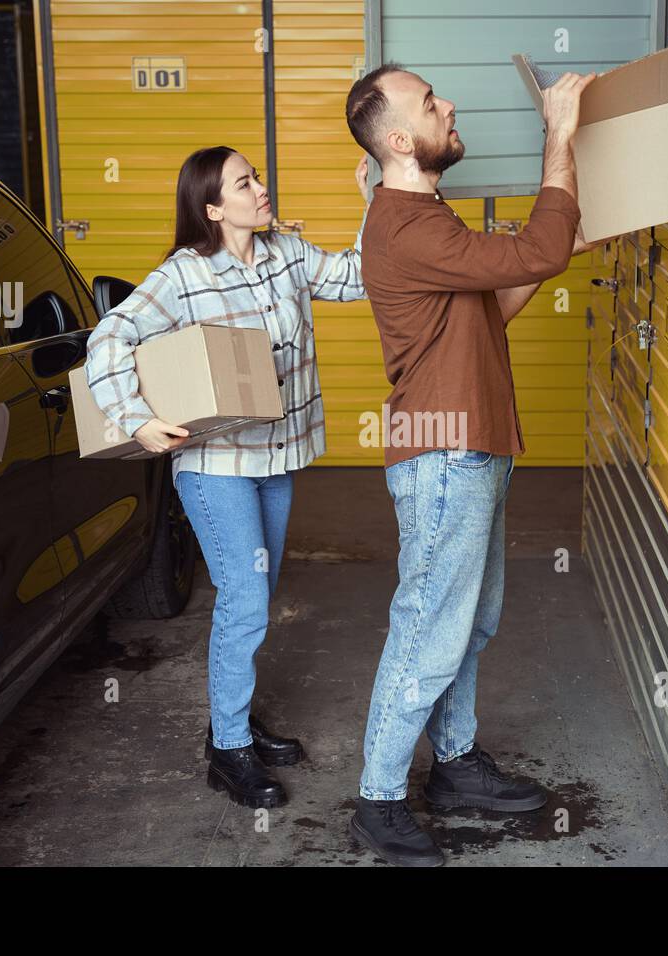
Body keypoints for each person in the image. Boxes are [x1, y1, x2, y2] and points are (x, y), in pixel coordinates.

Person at [343, 63, 597, 865]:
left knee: (468, 623)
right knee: (427, 628)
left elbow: (497, 303)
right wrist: (559, 135)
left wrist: (543, 253)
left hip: (473, 448)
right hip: (445, 457)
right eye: (429, 103)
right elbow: (542, 250)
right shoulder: (408, 226)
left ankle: (454, 764)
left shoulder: (426, 218)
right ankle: (378, 800)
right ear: (396, 140)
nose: (447, 105)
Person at [86, 146, 369, 809]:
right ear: (213, 208)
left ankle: (232, 719)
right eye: (246, 183)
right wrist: (135, 420)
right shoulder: (185, 276)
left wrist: (375, 200)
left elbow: (358, 277)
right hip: (215, 468)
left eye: (259, 177)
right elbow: (108, 338)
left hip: (275, 462)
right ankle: (228, 750)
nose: (262, 188)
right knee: (244, 598)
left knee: (257, 596)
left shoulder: (288, 257)